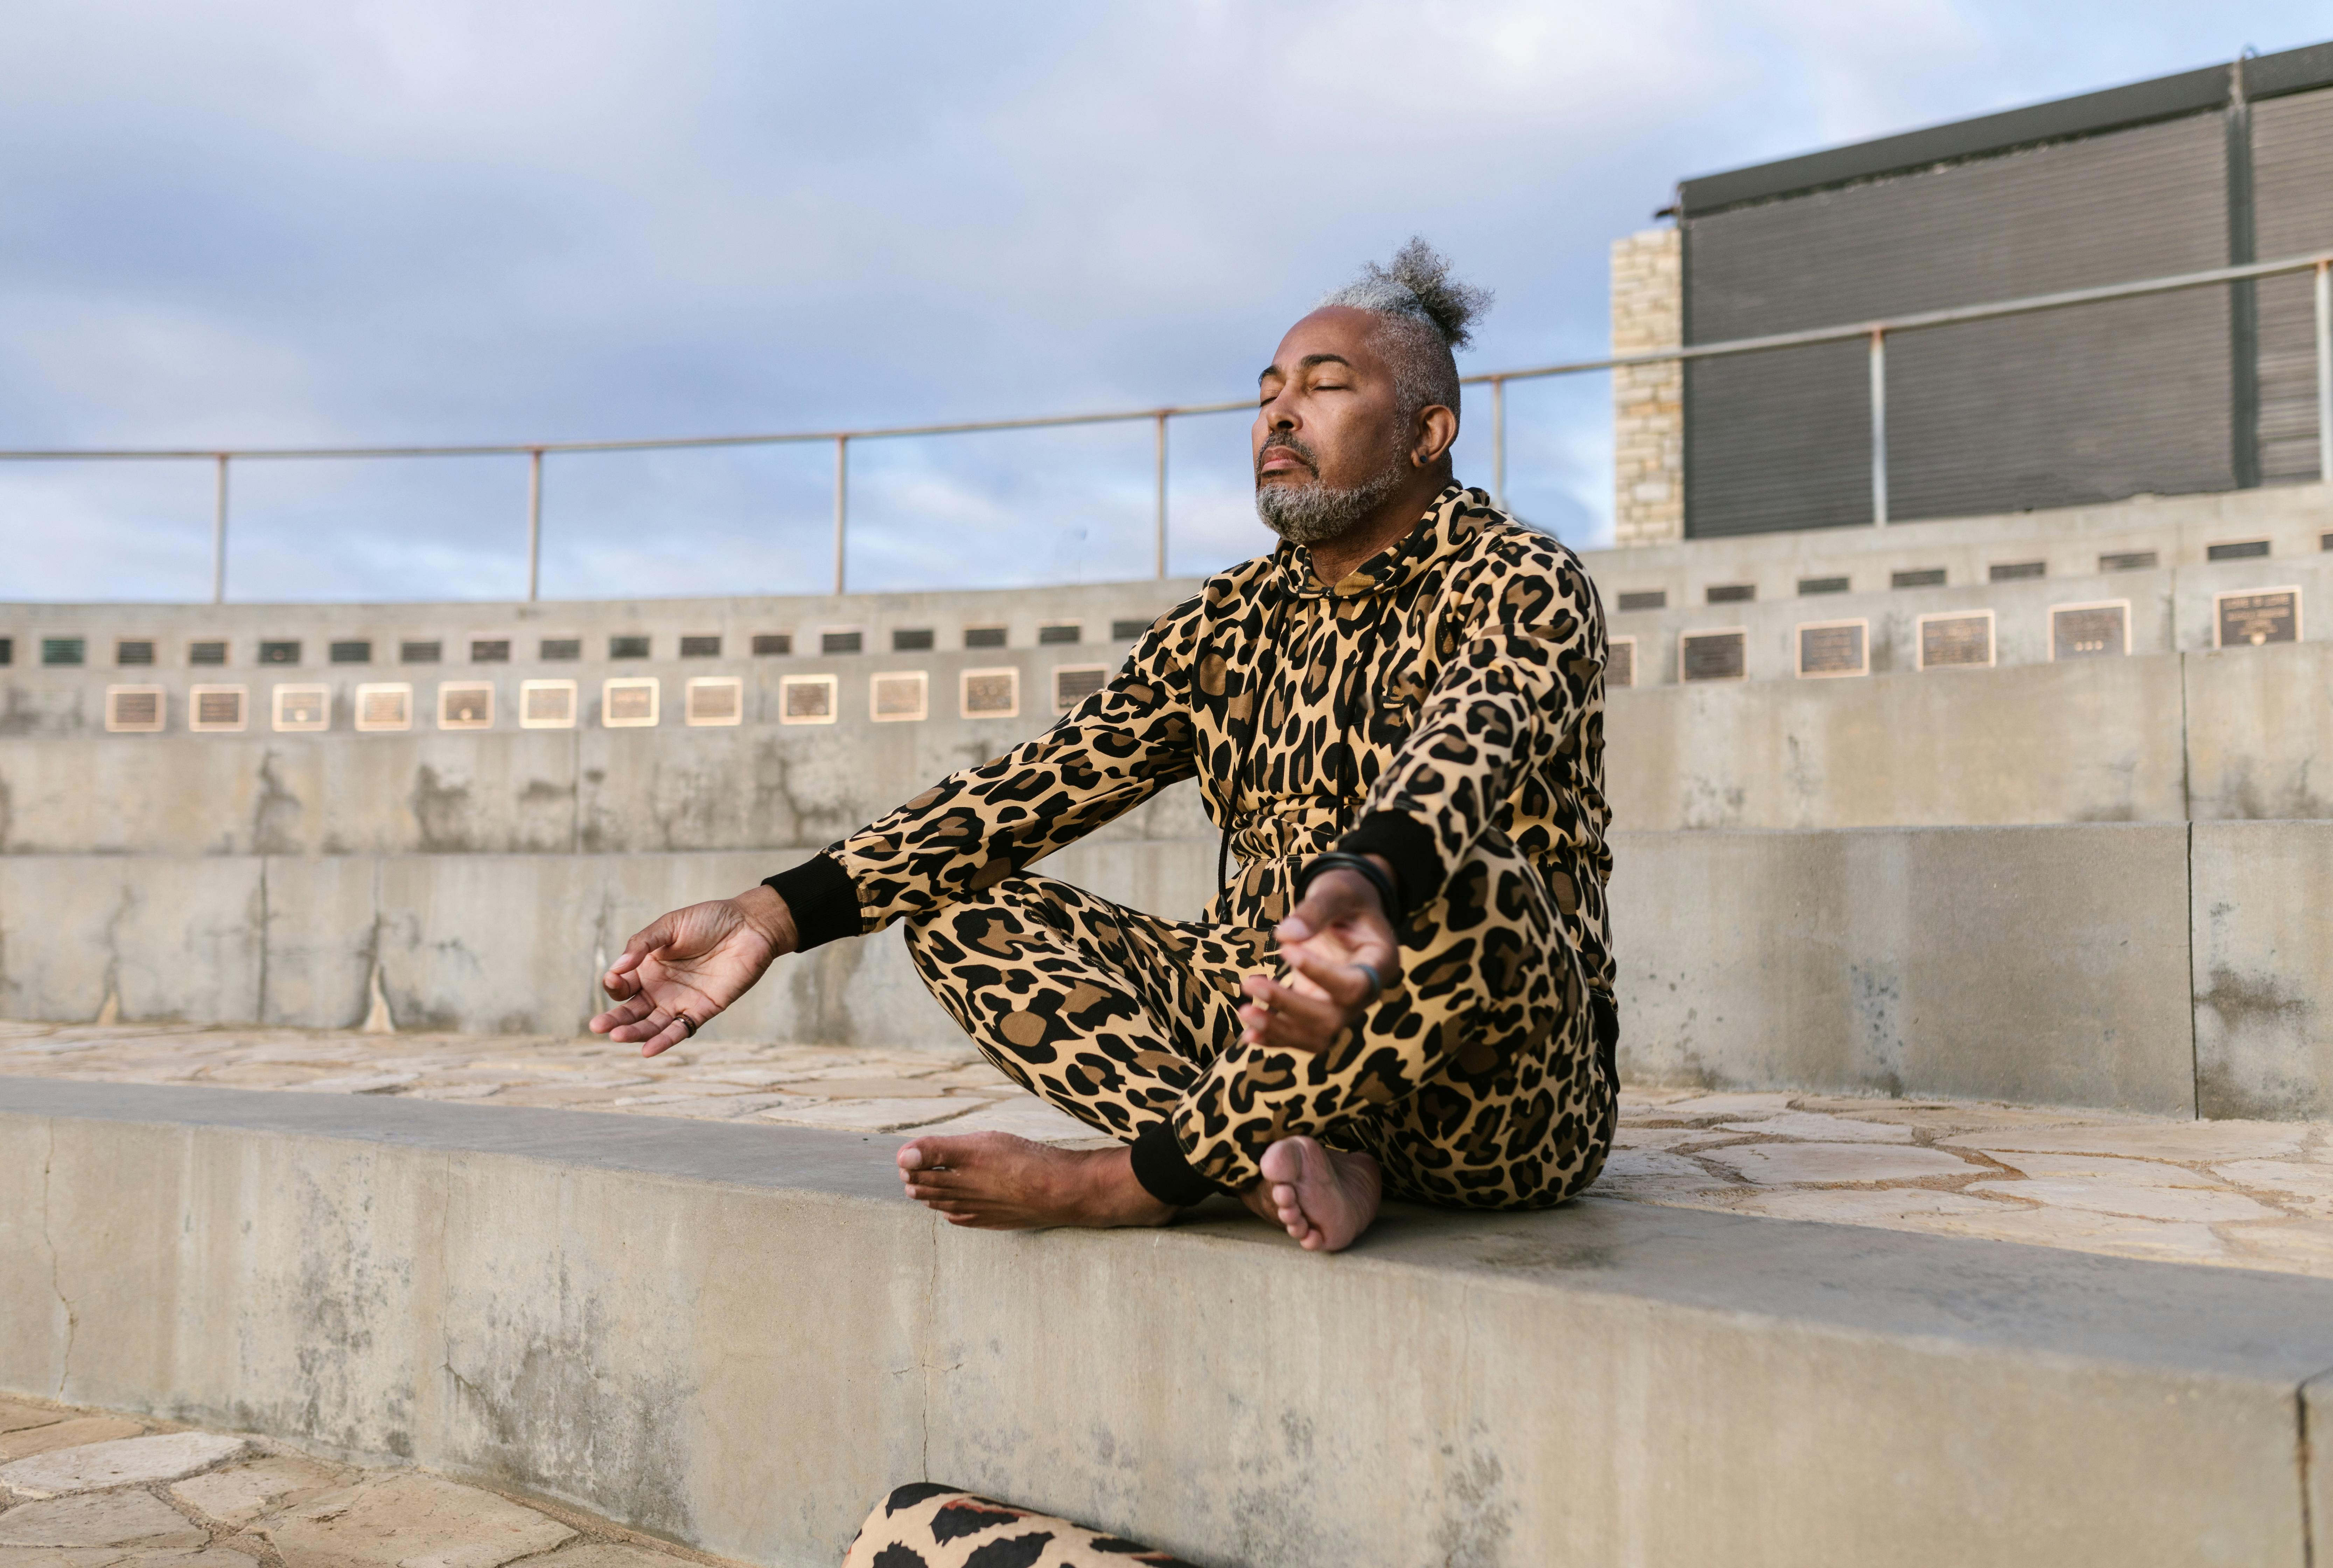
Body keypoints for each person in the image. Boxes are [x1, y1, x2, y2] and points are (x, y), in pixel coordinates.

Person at [591, 239, 1617, 1254]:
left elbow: (1473, 738)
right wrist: (771, 916)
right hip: (1267, 1040)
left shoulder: (1520, 576)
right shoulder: (1229, 621)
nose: (1279, 414)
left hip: (1490, 1094)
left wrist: (1370, 878)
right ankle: (1278, 1163)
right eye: (1267, 393)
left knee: (1472, 880)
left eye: (1326, 386)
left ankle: (1135, 1180)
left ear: (1425, 431)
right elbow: (1034, 789)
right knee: (957, 900)